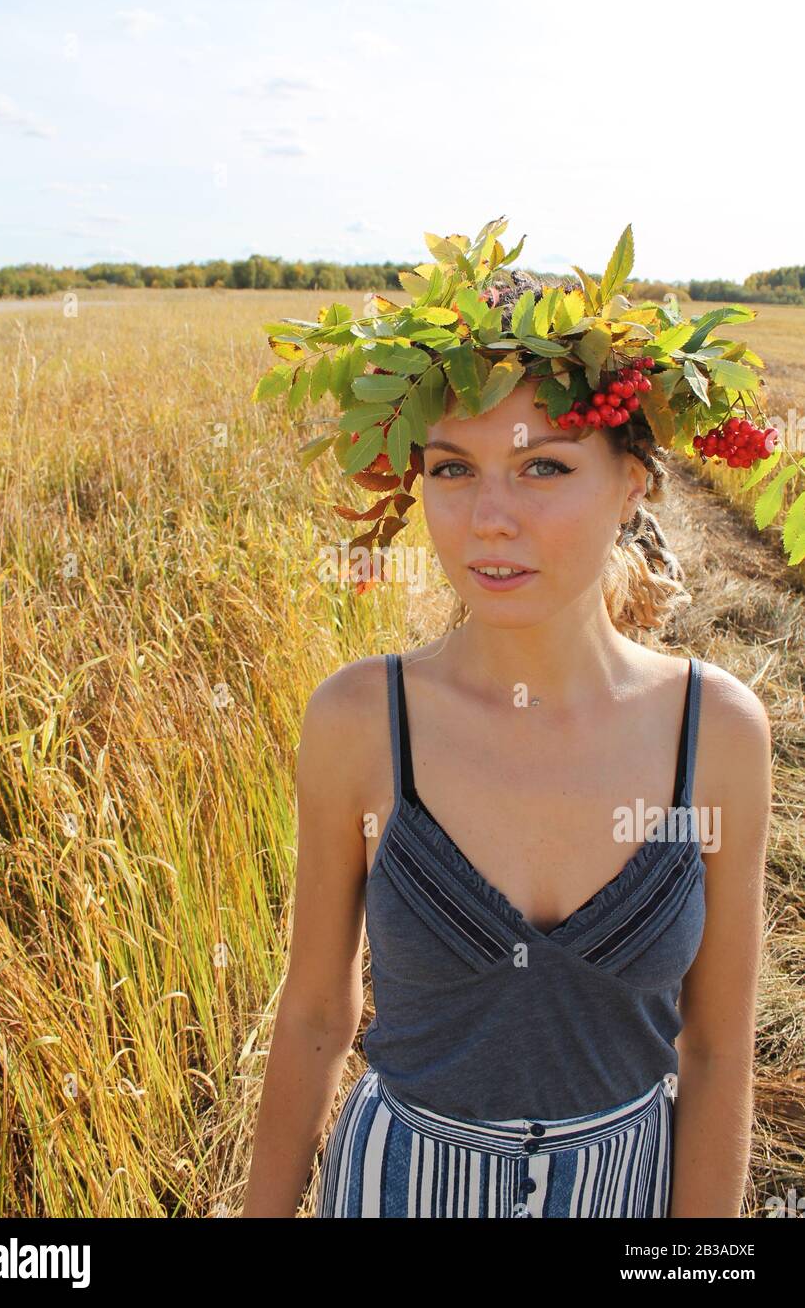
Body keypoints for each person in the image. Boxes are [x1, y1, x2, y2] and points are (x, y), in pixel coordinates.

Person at [242, 273, 773, 1219]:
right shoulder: (363, 721)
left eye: (544, 467)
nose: (491, 517)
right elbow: (320, 1013)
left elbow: (719, 1049)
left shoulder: (717, 732)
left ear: (632, 485)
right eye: (452, 468)